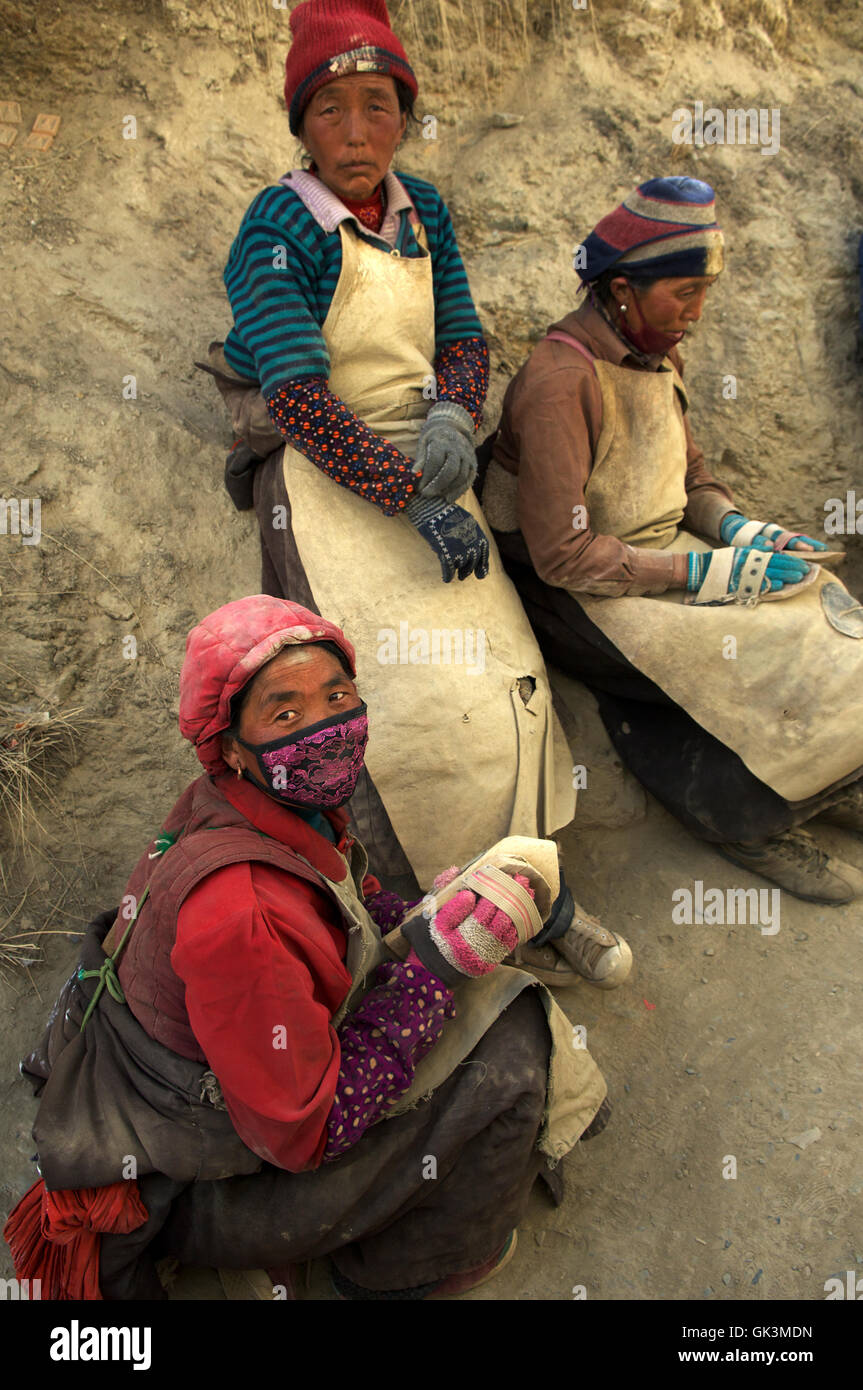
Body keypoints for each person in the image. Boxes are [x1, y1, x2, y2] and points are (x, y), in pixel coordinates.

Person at [198, 0, 632, 987]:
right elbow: (299, 399)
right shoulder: (278, 226)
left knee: (506, 681)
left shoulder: (420, 207)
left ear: (403, 116)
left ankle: (538, 894)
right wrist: (407, 496)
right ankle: (437, 925)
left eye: (379, 108)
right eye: (332, 111)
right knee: (411, 705)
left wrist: (451, 414)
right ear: (301, 125)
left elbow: (462, 333)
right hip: (329, 471)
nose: (356, 134)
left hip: (422, 458)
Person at [3, 596, 610, 1301]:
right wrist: (435, 969)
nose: (326, 726)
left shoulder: (264, 804)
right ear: (229, 745)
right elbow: (307, 1134)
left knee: (470, 980)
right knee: (511, 1047)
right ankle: (400, 1271)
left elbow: (344, 904)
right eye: (285, 713)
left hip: (214, 1090)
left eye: (337, 696)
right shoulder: (242, 914)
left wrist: (423, 914)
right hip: (204, 1179)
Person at [483, 176, 863, 904]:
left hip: (652, 559)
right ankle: (747, 819)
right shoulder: (561, 380)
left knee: (828, 608)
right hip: (574, 596)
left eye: (701, 293)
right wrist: (715, 577)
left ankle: (817, 776)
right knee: (769, 647)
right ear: (622, 287)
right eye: (682, 294)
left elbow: (689, 478)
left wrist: (740, 530)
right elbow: (564, 556)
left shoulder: (655, 353)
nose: (694, 312)